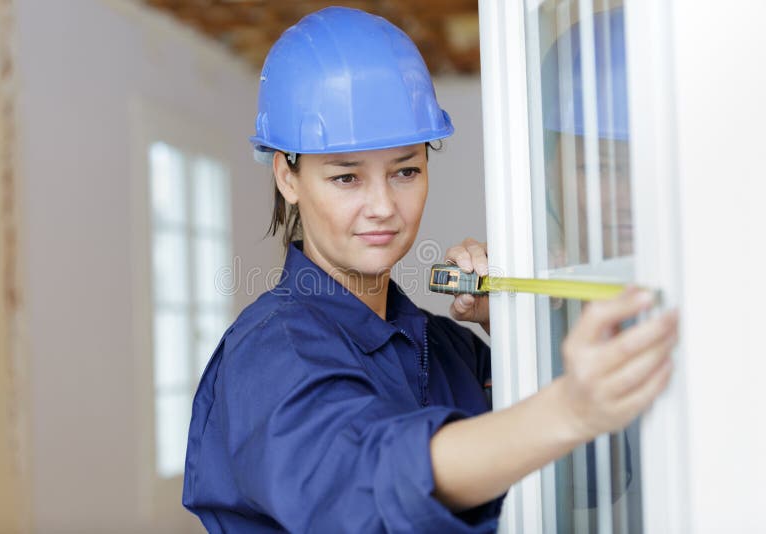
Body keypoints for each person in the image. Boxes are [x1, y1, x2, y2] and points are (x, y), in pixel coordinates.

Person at [182, 7, 678, 533]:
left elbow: (589, 480)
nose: (383, 206)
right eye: (347, 178)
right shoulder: (270, 352)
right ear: (288, 175)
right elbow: (363, 485)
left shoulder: (445, 347)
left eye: (405, 171)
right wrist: (565, 411)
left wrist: (516, 331)